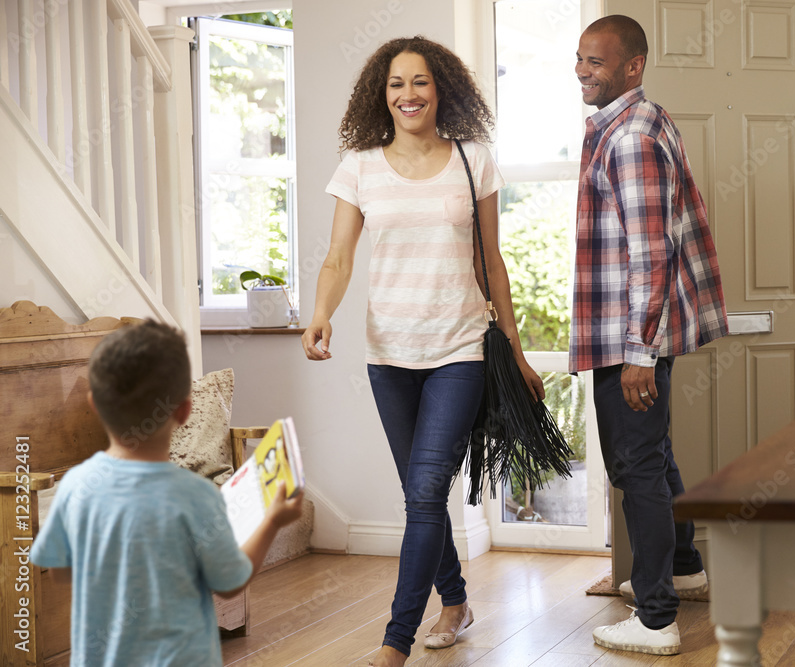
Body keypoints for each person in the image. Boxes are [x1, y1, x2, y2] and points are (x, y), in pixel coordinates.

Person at [301, 36, 542, 667]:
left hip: (459, 346)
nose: (408, 95)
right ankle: (456, 600)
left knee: (428, 486)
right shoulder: (359, 167)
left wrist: (514, 351)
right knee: (421, 491)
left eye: (420, 83)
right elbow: (338, 257)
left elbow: (493, 261)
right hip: (389, 354)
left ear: (443, 90)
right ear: (380, 97)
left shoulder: (474, 160)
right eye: (396, 85)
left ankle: (394, 640)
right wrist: (321, 314)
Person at [571, 15, 729, 656]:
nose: (582, 71)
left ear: (633, 66)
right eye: (579, 59)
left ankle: (656, 618)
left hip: (628, 335)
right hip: (635, 330)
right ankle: (685, 568)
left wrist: (639, 352)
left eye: (596, 62)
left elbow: (649, 253)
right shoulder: (645, 119)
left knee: (635, 466)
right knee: (656, 455)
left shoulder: (631, 136)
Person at [31, 320, 304, 665]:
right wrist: (271, 521)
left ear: (94, 405)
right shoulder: (196, 496)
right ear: (185, 411)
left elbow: (60, 571)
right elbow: (230, 581)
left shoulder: (74, 487)